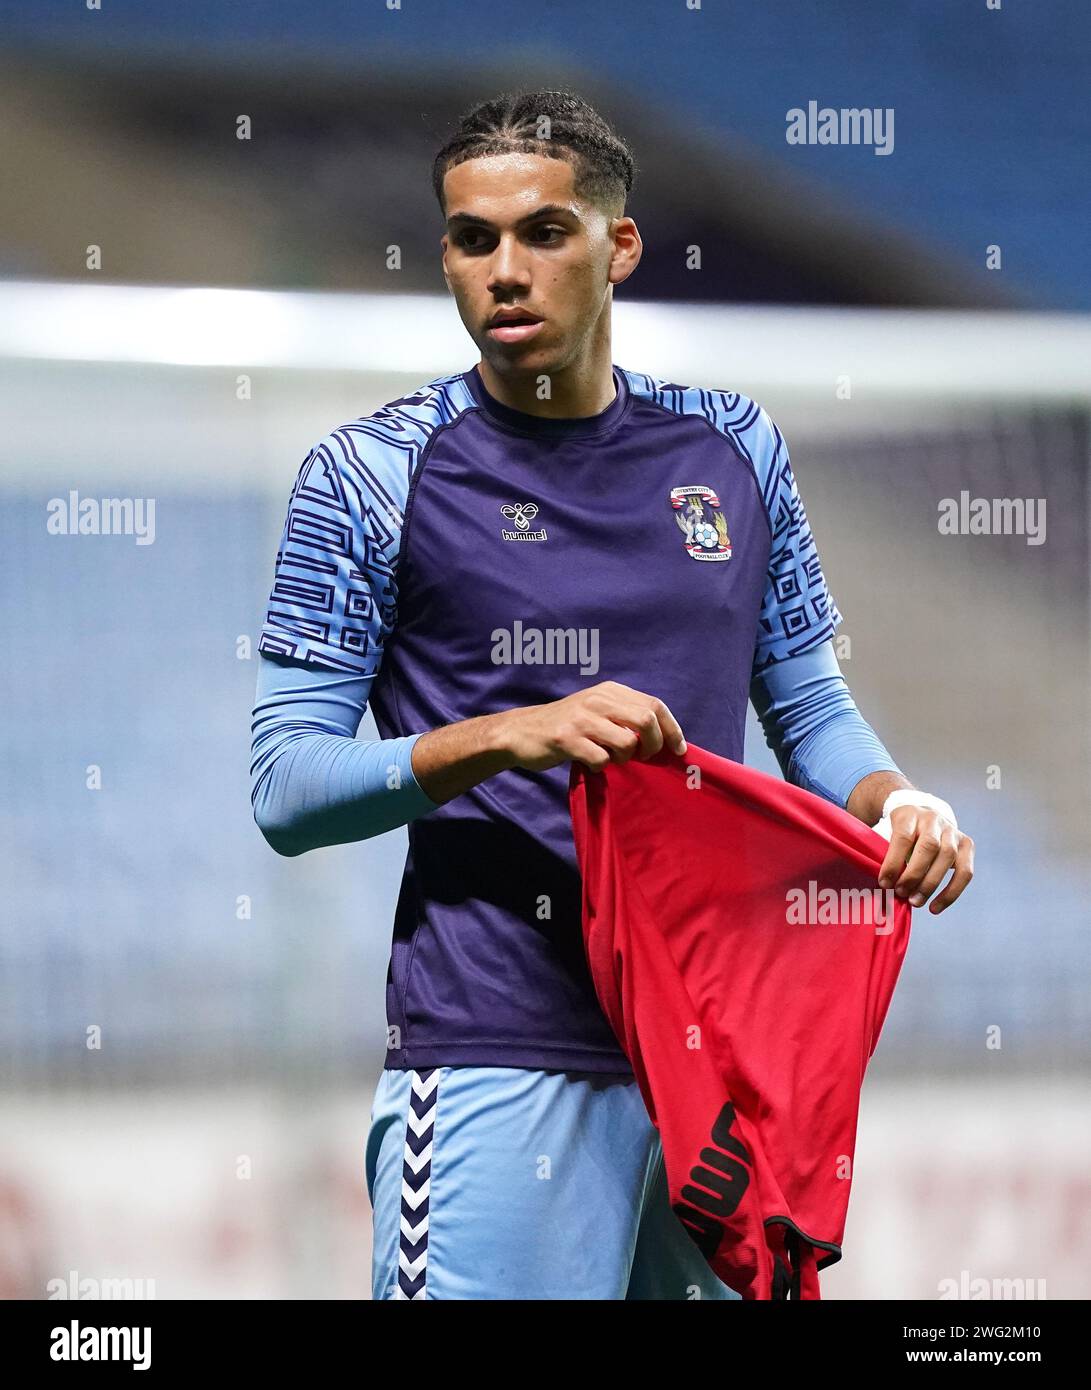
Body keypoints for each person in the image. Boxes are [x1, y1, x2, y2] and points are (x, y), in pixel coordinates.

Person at [250, 89, 974, 1300]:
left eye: (543, 233)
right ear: (444, 256)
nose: (505, 271)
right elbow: (284, 787)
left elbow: (803, 701)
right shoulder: (369, 475)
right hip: (496, 1054)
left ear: (617, 245)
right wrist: (507, 735)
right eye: (472, 241)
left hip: (712, 1058)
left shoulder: (730, 450)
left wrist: (895, 799)